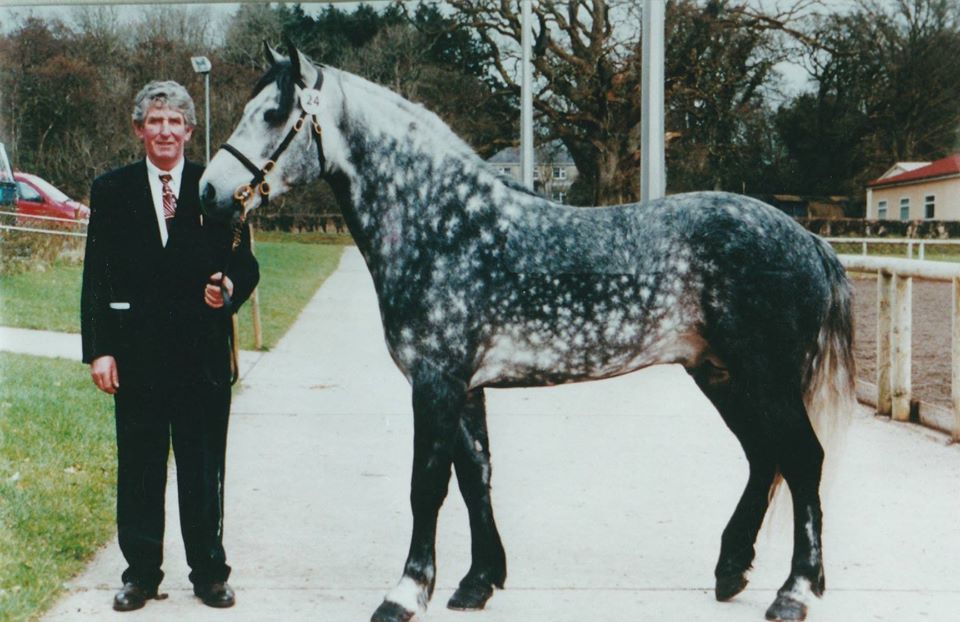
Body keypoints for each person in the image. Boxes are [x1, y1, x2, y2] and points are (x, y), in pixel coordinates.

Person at [80, 80, 259, 612]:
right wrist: (100, 350)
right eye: (154, 121)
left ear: (188, 130)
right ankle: (140, 573)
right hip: (137, 359)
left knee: (204, 468)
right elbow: (97, 278)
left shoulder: (216, 186)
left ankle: (209, 572)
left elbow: (244, 265)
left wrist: (227, 288)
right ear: (139, 130)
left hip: (201, 357)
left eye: (174, 121)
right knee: (139, 466)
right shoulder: (112, 190)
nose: (164, 131)